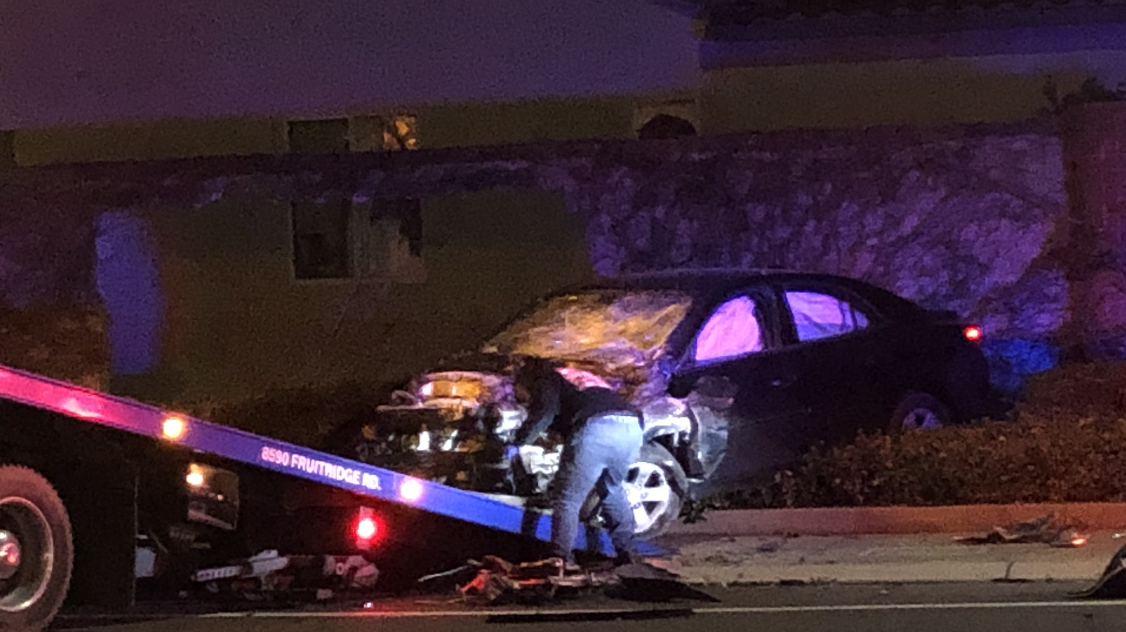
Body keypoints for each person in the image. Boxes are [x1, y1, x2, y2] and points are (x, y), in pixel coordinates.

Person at [508, 356, 644, 566]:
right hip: (632, 427)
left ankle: (561, 558)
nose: (522, 399)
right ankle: (629, 555)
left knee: (567, 499)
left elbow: (545, 414)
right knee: (612, 489)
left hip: (596, 428)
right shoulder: (582, 377)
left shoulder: (548, 380)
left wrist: (517, 442)